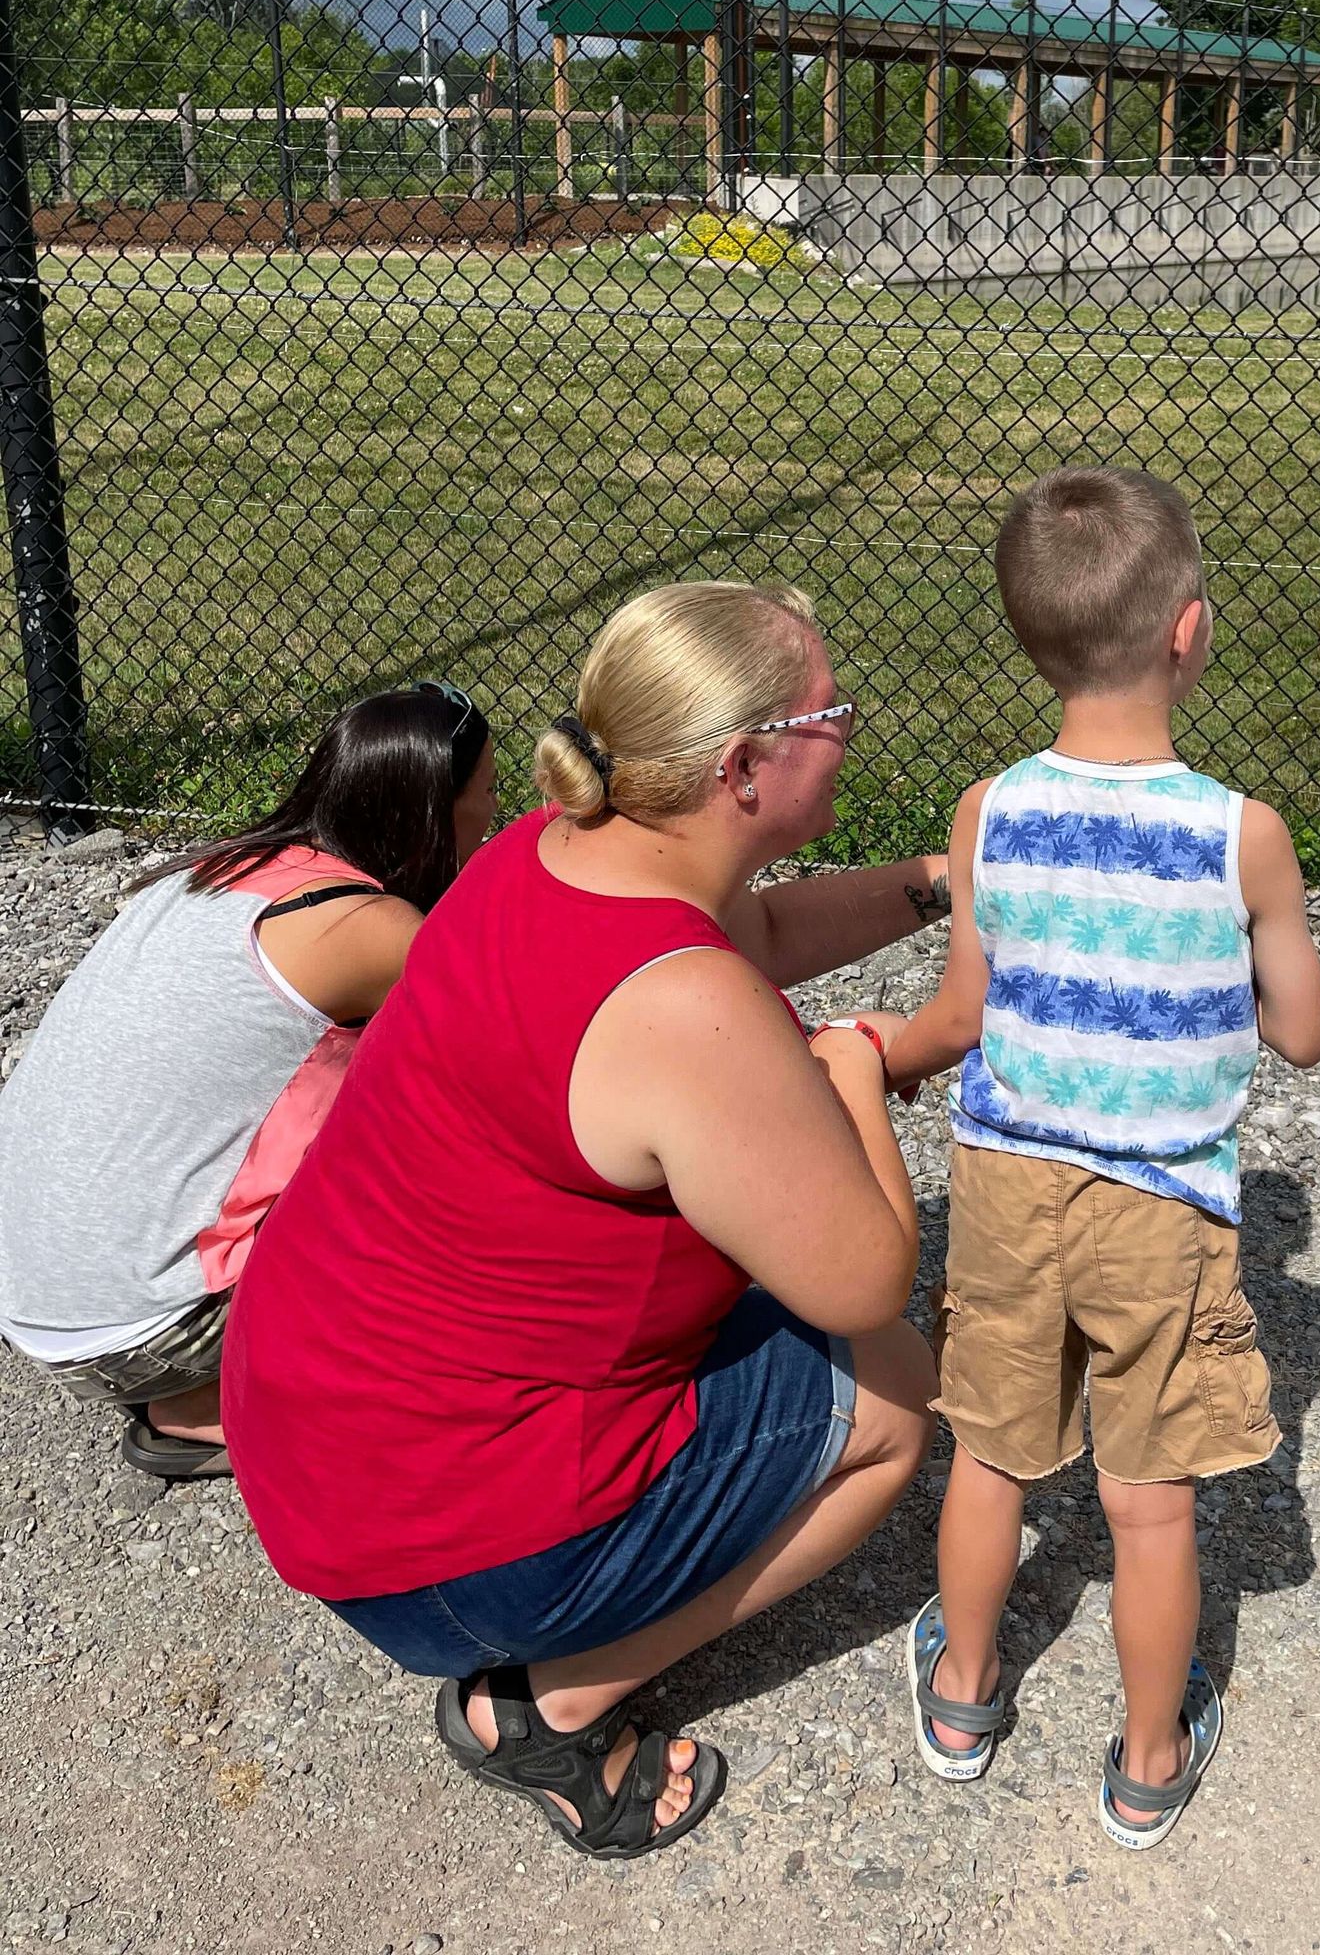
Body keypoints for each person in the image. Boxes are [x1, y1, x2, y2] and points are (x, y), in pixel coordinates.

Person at [222, 581, 947, 1863]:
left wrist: (941, 883)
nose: (853, 727)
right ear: (741, 766)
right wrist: (855, 1073)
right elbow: (865, 1280)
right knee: (892, 1395)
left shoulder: (555, 848)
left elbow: (763, 925)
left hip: (311, 1433)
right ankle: (552, 1701)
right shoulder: (685, 1008)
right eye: (832, 711)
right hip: (431, 1548)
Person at [883, 466, 1320, 1849]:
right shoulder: (1242, 834)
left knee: (990, 1460)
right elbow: (1304, 1032)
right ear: (1188, 632)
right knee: (1151, 1509)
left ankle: (963, 1694)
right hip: (1162, 1211)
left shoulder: (986, 814)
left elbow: (960, 1018)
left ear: (1031, 640)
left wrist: (863, 1051)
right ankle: (1147, 1756)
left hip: (1011, 1188)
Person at [0, 681, 497, 1481]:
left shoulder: (231, 865)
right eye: (489, 795)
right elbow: (516, 1024)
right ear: (431, 810)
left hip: (35, 1281)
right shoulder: (372, 932)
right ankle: (205, 1406)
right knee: (459, 1237)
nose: (494, 818)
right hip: (134, 1332)